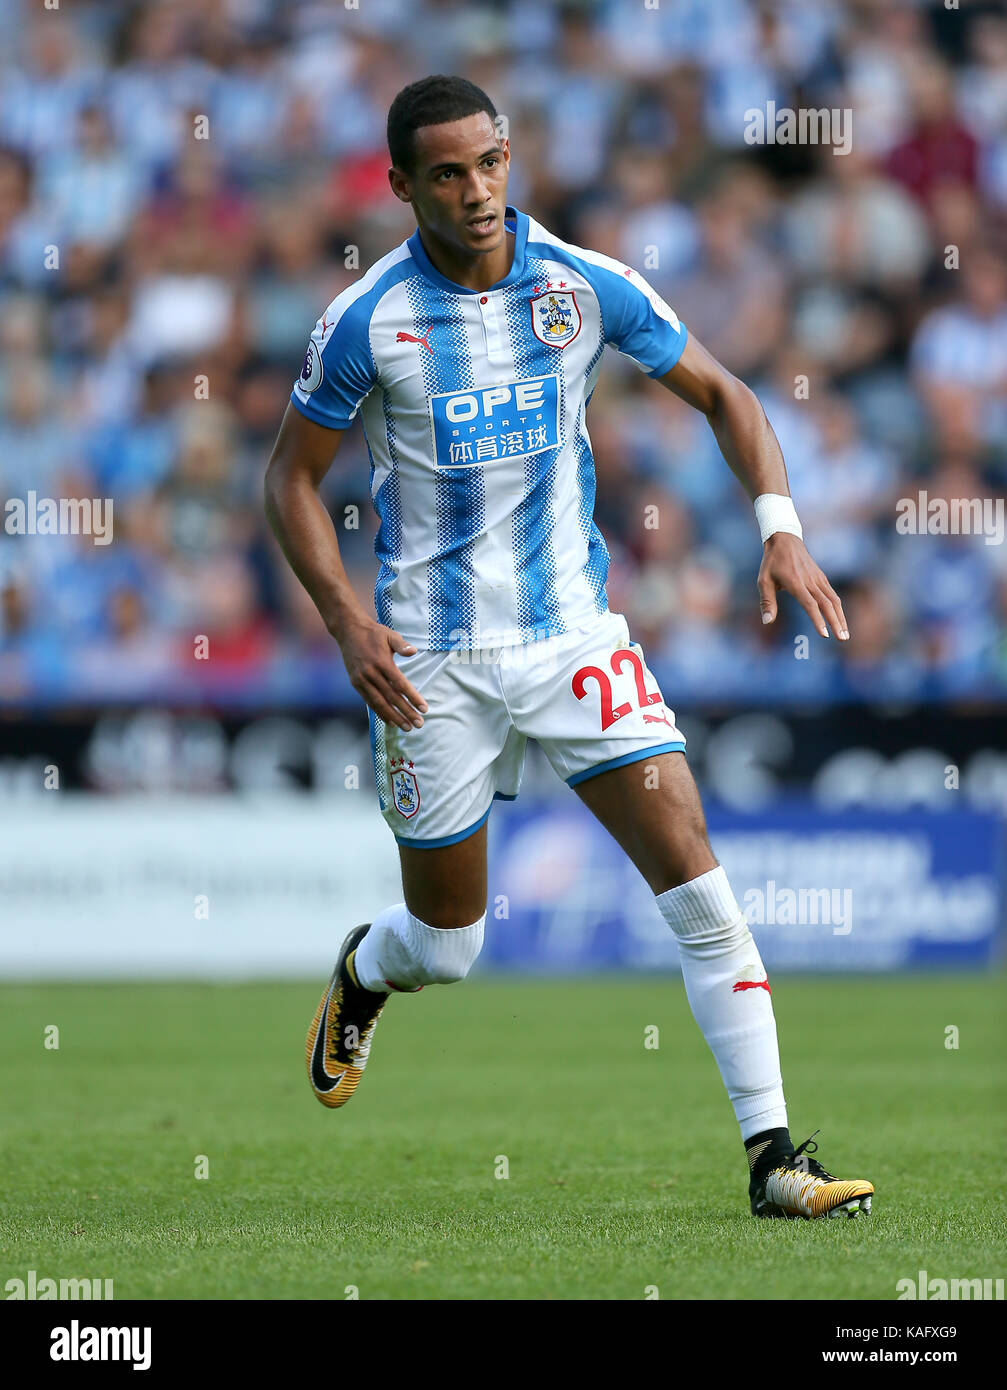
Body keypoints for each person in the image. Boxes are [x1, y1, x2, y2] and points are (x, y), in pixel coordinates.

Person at [264, 75, 873, 1221]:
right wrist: (347, 622)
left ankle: (771, 1157)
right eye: (445, 173)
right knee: (448, 948)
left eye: (489, 161)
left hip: (571, 639)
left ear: (511, 155)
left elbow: (726, 395)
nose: (476, 190)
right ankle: (363, 971)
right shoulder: (367, 322)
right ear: (401, 187)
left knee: (697, 883)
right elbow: (287, 480)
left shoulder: (580, 284)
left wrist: (778, 529)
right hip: (430, 667)